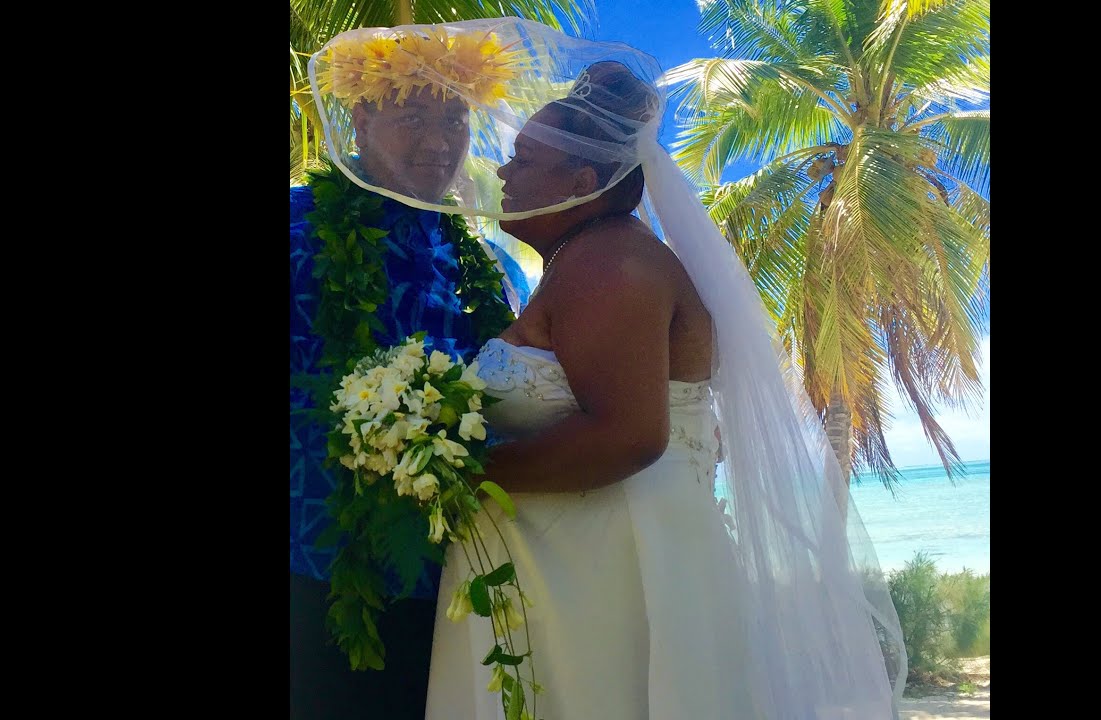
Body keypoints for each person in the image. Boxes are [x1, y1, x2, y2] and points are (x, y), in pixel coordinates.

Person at [310, 19, 905, 720]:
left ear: (582, 180)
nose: (500, 170)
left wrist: (456, 478)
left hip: (615, 568)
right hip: (585, 559)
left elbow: (630, 436)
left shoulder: (609, 262)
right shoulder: (577, 261)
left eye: (525, 159)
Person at [290, 26, 527, 720]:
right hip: (310, 569)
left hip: (455, 581)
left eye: (454, 117)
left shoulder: (491, 268)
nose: (439, 140)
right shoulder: (296, 230)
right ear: (361, 116)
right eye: (411, 113)